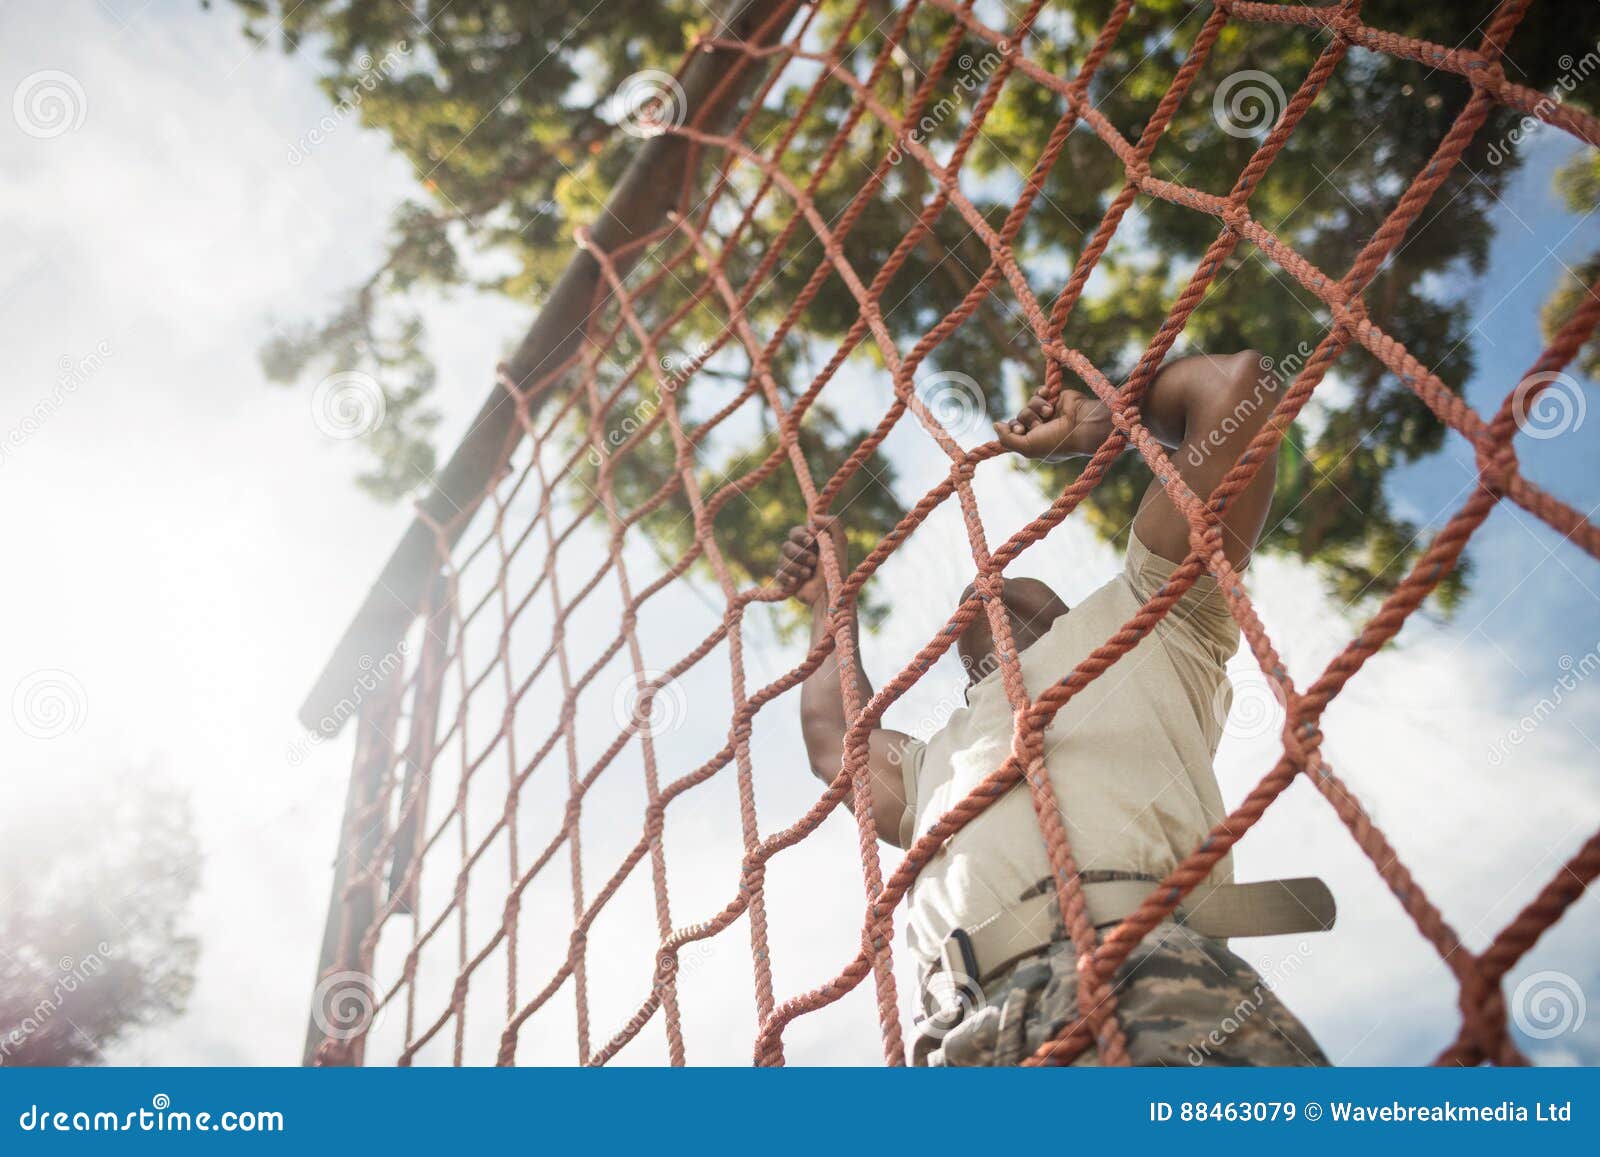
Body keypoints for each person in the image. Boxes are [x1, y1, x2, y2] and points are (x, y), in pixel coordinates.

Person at [778, 351, 1336, 1066]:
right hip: (965, 1034)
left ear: (1065, 611)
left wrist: (1104, 421)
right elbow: (833, 741)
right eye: (973, 600)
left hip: (1161, 976)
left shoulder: (1156, 618)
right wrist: (830, 597)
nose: (990, 584)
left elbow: (1237, 389)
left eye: (1015, 580)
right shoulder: (933, 764)